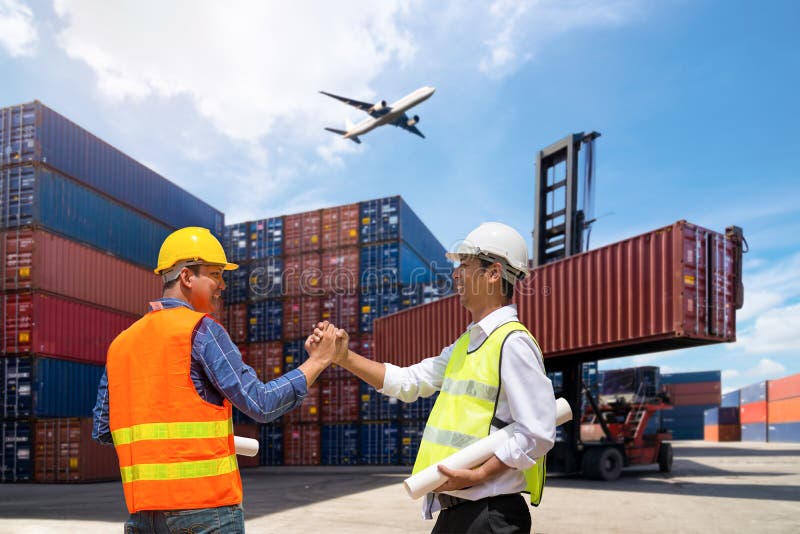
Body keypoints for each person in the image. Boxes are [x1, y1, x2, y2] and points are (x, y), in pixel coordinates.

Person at [92, 227, 340, 533]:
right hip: (205, 514)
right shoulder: (200, 330)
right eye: (215, 274)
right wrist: (318, 361)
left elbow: (105, 429)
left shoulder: (120, 344)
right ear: (186, 277)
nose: (222, 285)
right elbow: (260, 403)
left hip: (143, 517)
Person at [316, 222, 556, 533]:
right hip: (460, 510)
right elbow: (407, 382)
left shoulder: (513, 342)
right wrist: (343, 357)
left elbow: (538, 433)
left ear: (494, 273)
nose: (456, 274)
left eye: (465, 265)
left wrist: (481, 474)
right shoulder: (465, 346)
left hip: (490, 512)